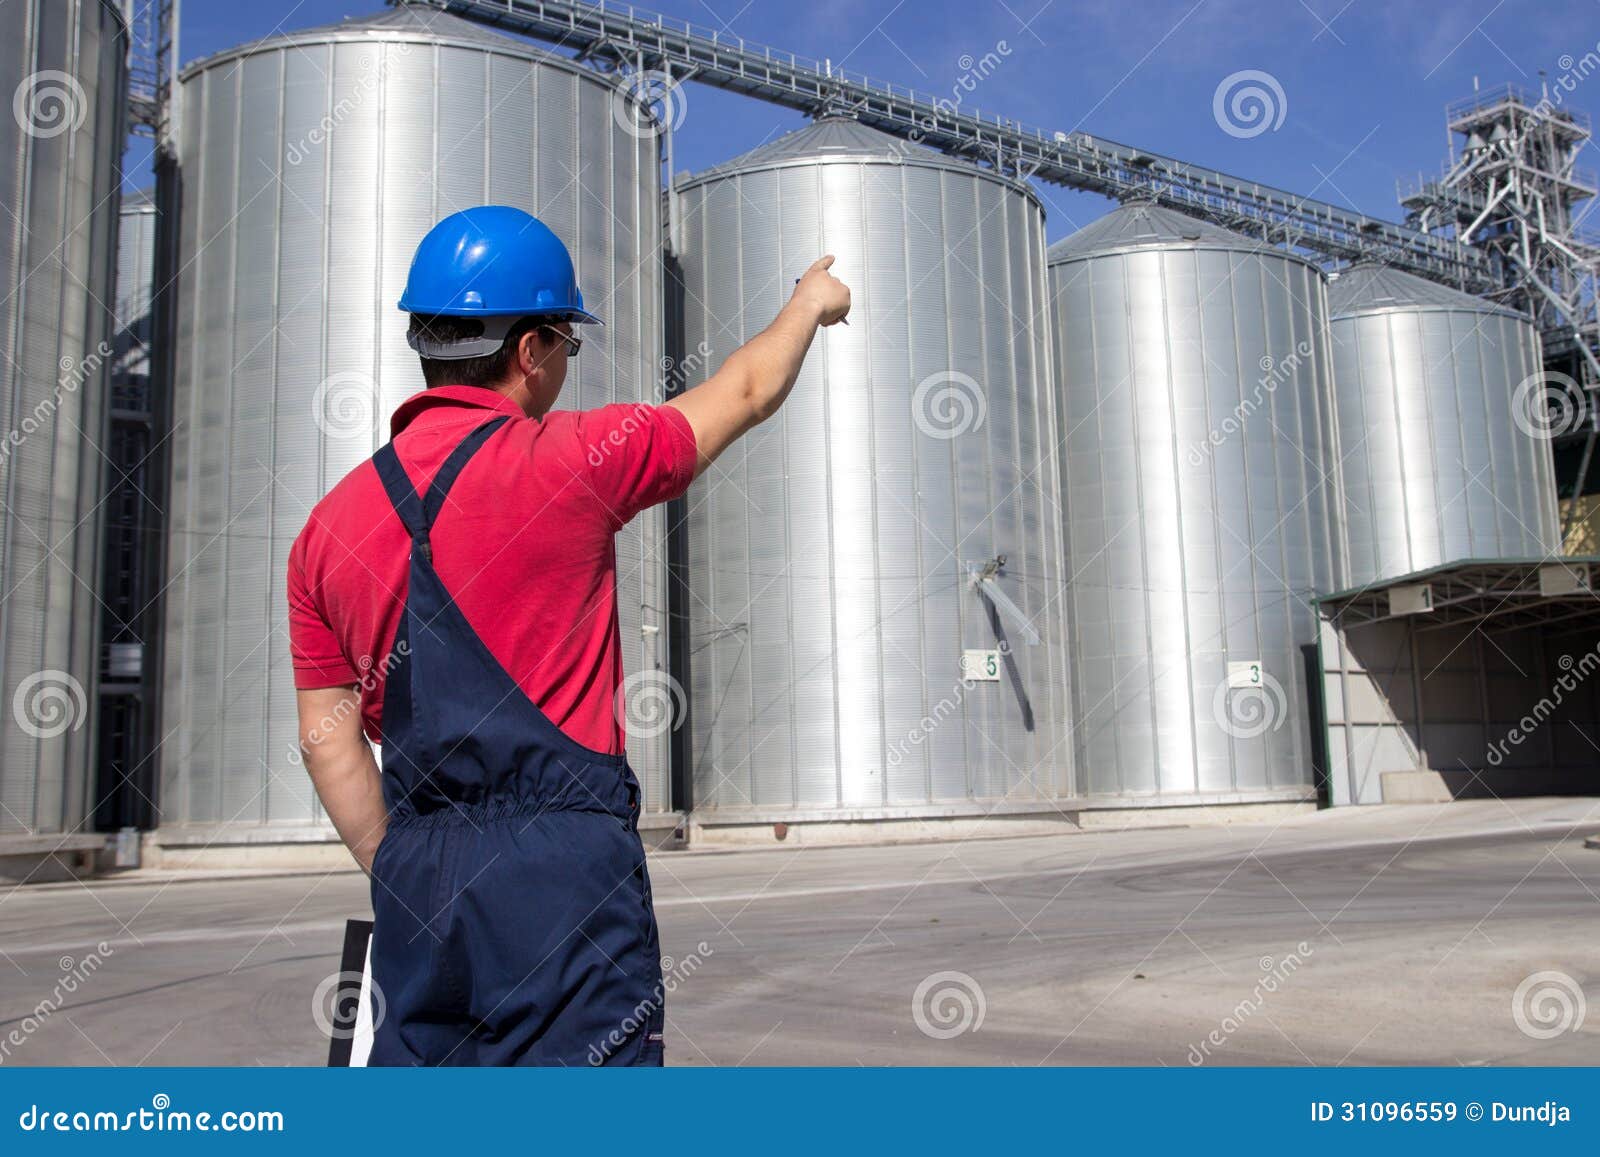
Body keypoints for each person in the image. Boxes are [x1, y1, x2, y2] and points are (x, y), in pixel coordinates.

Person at [287, 205, 849, 1066]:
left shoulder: (324, 531)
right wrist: (808, 303)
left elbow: (324, 738)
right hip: (560, 874)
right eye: (566, 345)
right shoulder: (573, 458)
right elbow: (745, 390)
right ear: (530, 349)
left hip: (418, 877)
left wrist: (400, 867)